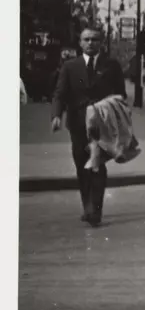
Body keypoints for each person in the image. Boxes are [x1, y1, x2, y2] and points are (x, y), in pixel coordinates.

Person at [51, 27, 127, 227]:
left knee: (97, 166)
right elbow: (60, 94)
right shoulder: (70, 67)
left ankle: (96, 211)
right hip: (77, 124)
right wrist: (56, 116)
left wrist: (115, 114)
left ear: (101, 42)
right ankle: (87, 205)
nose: (91, 43)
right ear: (80, 42)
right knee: (81, 165)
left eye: (95, 39)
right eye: (87, 39)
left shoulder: (111, 66)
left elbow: (121, 94)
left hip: (102, 124)